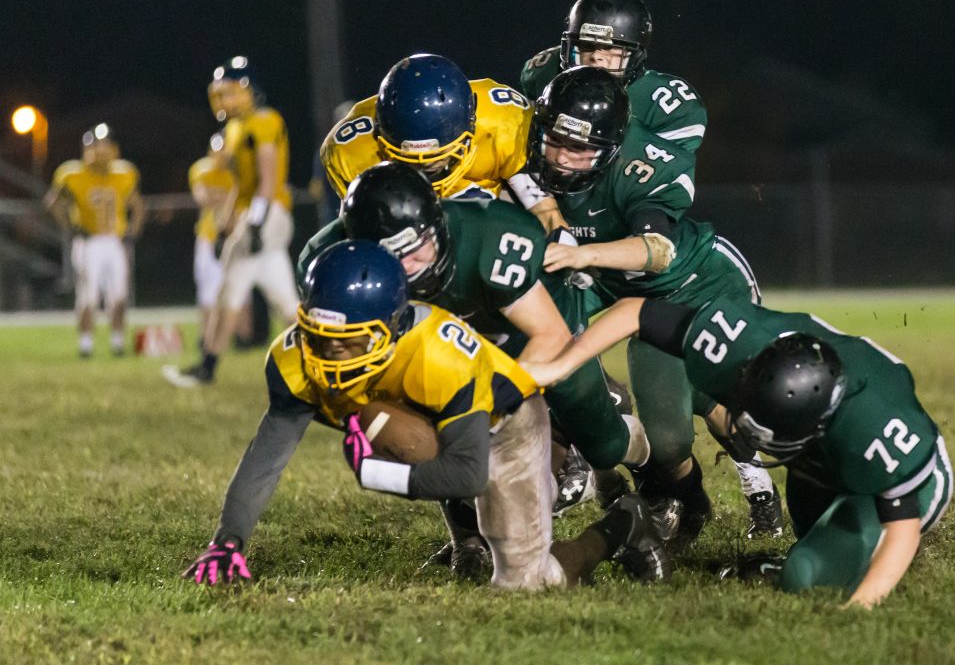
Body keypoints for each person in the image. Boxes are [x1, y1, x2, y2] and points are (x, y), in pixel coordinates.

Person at [183, 240, 669, 588]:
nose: (330, 359)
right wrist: (228, 541)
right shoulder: (294, 361)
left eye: (350, 343)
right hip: (435, 418)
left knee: (529, 582)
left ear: (392, 328)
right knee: (390, 423)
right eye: (318, 338)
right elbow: (264, 457)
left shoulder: (438, 355)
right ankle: (469, 537)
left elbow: (467, 473)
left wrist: (376, 473)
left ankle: (623, 523)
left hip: (506, 425)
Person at [521, 294, 954, 608]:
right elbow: (638, 311)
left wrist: (857, 610)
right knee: (809, 529)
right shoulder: (745, 343)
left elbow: (902, 527)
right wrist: (561, 365)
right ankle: (825, 539)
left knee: (804, 577)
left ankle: (815, 557)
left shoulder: (874, 425)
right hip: (820, 451)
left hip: (908, 480)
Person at [297, 163, 649, 528]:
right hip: (453, 352)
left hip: (528, 335)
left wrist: (492, 407)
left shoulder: (490, 235)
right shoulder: (336, 266)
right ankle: (469, 537)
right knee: (464, 449)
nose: (412, 266)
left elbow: (549, 334)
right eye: (392, 259)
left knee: (605, 445)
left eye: (417, 248)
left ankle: (656, 472)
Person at [525, 66, 783, 540]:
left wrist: (580, 253)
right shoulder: (531, 142)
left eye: (579, 149)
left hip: (690, 286)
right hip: (617, 287)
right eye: (555, 139)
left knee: (734, 400)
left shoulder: (642, 164)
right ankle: (672, 494)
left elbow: (657, 253)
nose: (561, 157)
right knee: (662, 439)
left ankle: (763, 488)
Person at [164, 56, 299, 387]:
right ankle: (322, 357)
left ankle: (207, 365)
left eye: (229, 92)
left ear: (249, 90)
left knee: (230, 285)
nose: (222, 100)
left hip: (268, 214)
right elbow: (241, 183)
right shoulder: (235, 128)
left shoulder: (263, 121)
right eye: (219, 93)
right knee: (285, 300)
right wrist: (228, 220)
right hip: (258, 215)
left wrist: (253, 223)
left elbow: (267, 181)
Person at [319, 53, 563, 230]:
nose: (425, 168)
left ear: (472, 122)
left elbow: (545, 211)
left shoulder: (501, 121)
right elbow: (358, 239)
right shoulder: (350, 149)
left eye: (436, 158)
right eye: (411, 161)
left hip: (491, 222)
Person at [521, 0, 707, 157]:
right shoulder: (545, 72)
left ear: (635, 54)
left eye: (610, 48)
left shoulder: (666, 105)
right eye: (586, 46)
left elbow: (661, 174)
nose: (596, 56)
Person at [44, 123, 144, 357]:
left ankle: (118, 342)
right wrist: (69, 228)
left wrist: (132, 233)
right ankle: (86, 345)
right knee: (88, 297)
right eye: (95, 146)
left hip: (114, 241)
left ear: (114, 149)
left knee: (119, 295)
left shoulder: (124, 172)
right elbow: (53, 202)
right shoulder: (72, 173)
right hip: (88, 242)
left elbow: (138, 206)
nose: (100, 152)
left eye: (105, 146)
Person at [187, 132, 236, 343]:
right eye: (218, 151)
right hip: (207, 237)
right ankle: (205, 335)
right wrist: (226, 198)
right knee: (206, 288)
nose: (221, 156)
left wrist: (220, 198)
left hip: (229, 238)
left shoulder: (236, 173)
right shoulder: (202, 170)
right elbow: (202, 198)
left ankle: (223, 336)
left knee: (224, 290)